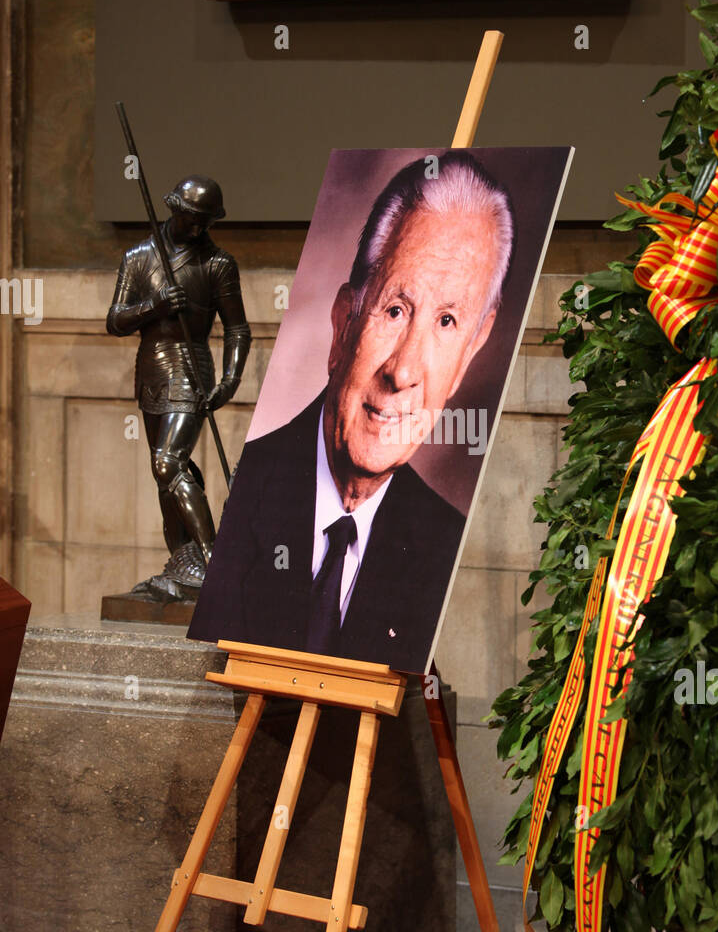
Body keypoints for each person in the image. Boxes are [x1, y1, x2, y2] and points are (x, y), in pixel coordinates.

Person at [189, 151, 515, 671]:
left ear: (467, 358)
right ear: (344, 323)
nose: (403, 371)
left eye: (448, 321)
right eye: (394, 310)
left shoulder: (441, 543)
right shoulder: (245, 495)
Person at [106, 176, 251, 601]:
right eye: (192, 220)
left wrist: (230, 379)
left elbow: (238, 330)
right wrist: (155, 306)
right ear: (175, 210)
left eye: (206, 222)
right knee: (167, 471)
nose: (199, 229)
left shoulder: (217, 264)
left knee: (168, 462)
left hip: (193, 368)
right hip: (151, 369)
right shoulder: (138, 257)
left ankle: (211, 561)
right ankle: (182, 563)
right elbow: (115, 320)